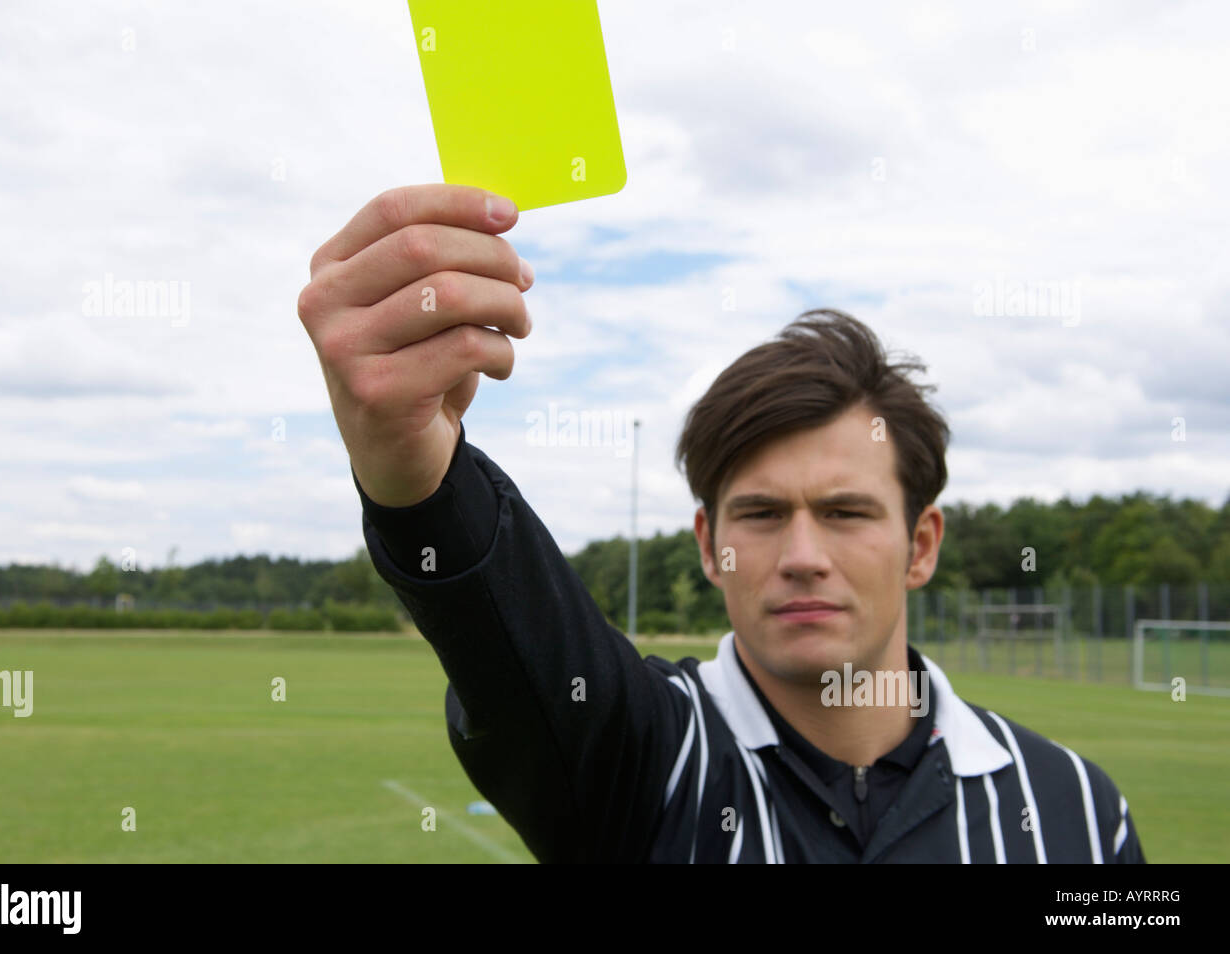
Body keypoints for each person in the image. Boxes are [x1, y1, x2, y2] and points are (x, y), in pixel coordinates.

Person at [297, 183, 1145, 863]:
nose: (804, 556)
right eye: (763, 514)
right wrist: (417, 473)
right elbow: (518, 653)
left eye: (847, 512)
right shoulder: (642, 760)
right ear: (709, 545)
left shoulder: (1075, 812)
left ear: (922, 545)